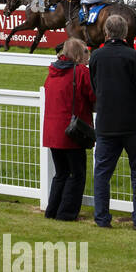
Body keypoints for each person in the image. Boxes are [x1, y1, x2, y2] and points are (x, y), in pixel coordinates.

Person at [89, 15, 136, 229]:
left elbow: (94, 85)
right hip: (133, 123)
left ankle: (101, 218)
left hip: (106, 122)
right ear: (126, 33)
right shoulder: (135, 57)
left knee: (102, 173)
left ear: (106, 33)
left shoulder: (96, 57)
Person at [42, 38, 94, 221]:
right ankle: (66, 213)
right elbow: (93, 96)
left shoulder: (52, 72)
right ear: (80, 54)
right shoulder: (80, 72)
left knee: (61, 173)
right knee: (76, 174)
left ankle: (52, 210)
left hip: (52, 131)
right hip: (72, 132)